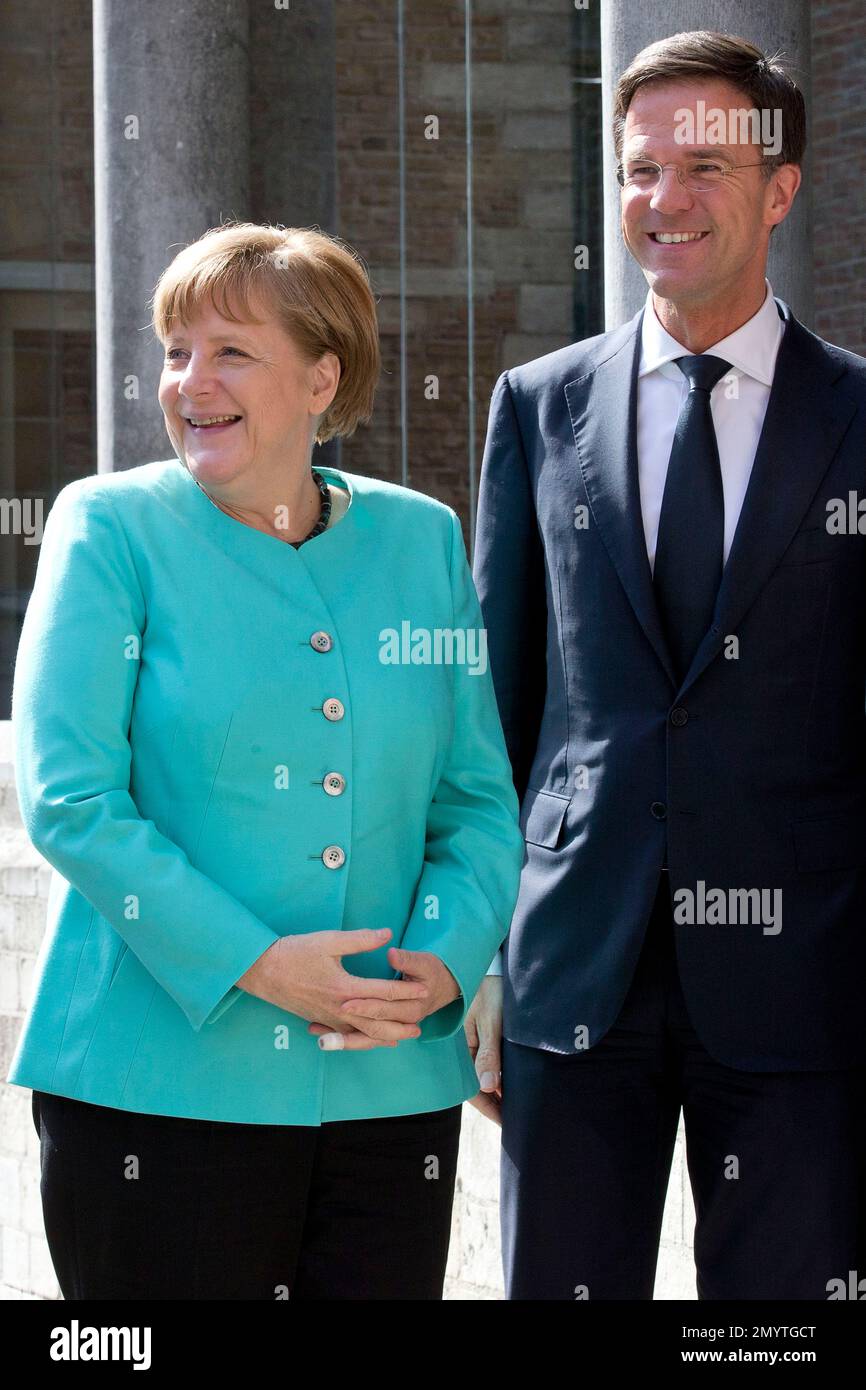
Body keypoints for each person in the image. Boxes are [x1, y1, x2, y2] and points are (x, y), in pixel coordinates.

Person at [6, 220, 524, 1300]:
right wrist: (261, 963)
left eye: (230, 350)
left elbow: (474, 799)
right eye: (176, 350)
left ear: (321, 376)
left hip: (388, 1091)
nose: (191, 380)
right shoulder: (107, 527)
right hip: (155, 1089)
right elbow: (72, 801)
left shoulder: (420, 537)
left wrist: (444, 958)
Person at [468, 31, 866, 1299]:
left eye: (703, 165)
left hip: (805, 980)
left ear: (779, 188)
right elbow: (495, 712)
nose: (664, 200)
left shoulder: (855, 418)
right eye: (641, 169)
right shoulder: (536, 407)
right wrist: (483, 951)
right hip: (575, 965)